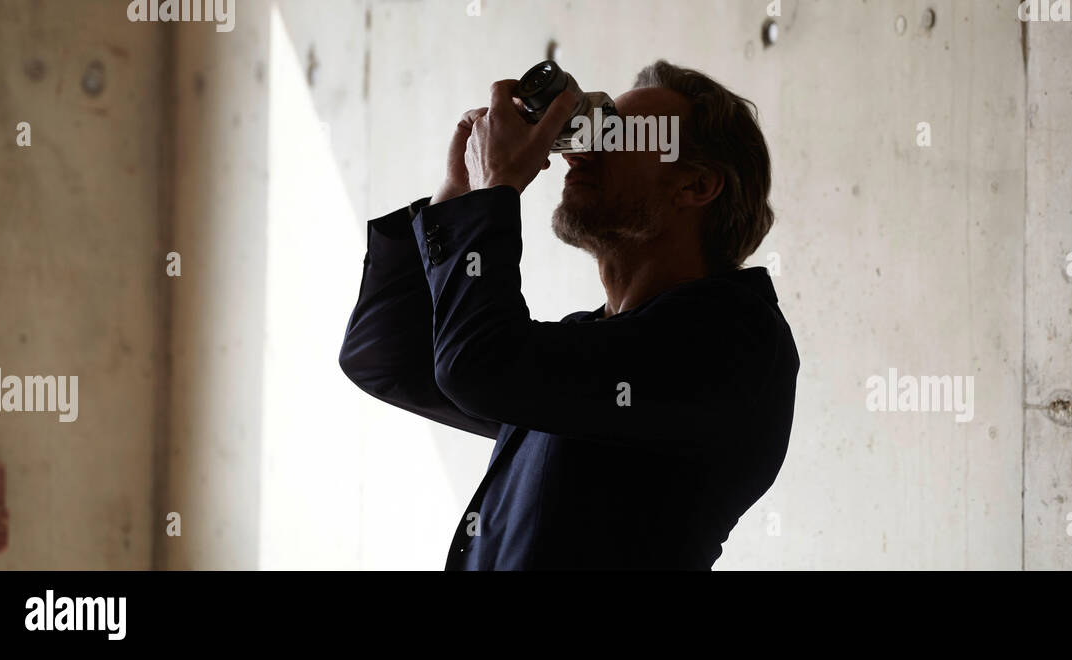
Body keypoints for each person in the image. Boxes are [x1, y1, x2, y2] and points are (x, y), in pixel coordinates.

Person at [339, 59, 799, 569]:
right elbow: (384, 359)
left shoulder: (731, 338)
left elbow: (478, 366)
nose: (580, 150)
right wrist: (454, 202)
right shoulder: (586, 347)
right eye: (590, 125)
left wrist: (495, 196)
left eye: (618, 133)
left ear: (695, 186)